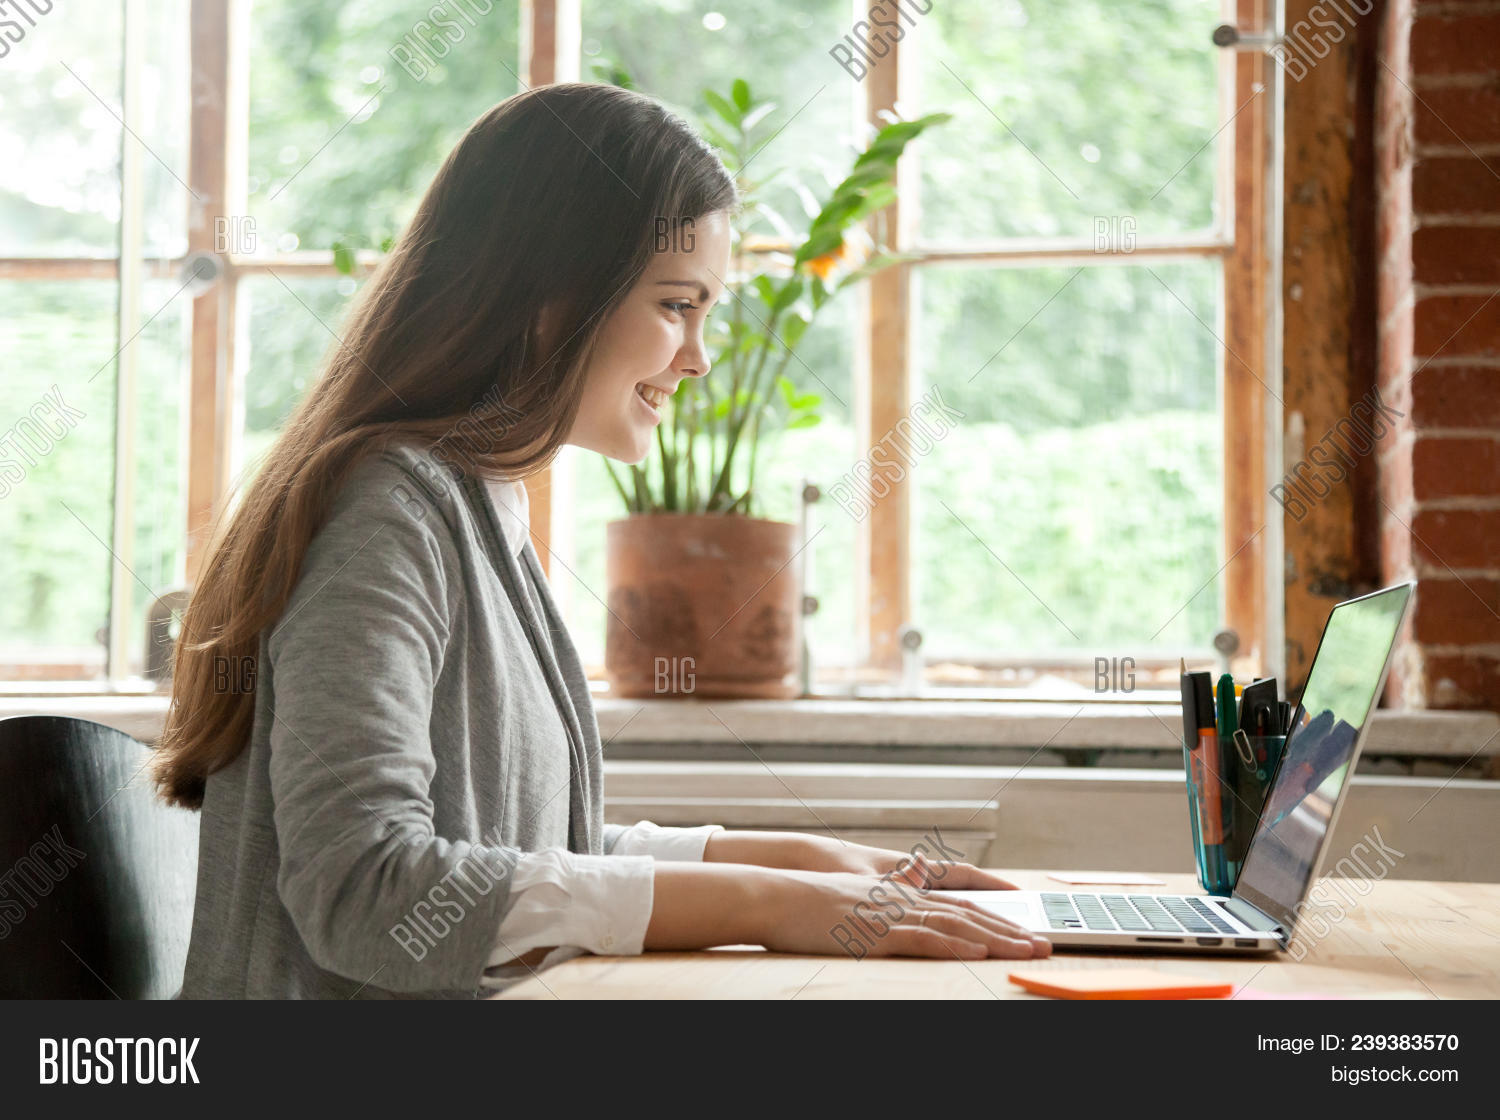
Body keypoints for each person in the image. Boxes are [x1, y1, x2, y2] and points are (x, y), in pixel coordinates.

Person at [154, 83, 1049, 999]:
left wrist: (807, 862)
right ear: (551, 297)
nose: (698, 356)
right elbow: (367, 894)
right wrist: (769, 904)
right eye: (676, 305)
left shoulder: (477, 495)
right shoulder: (384, 512)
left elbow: (530, 850)